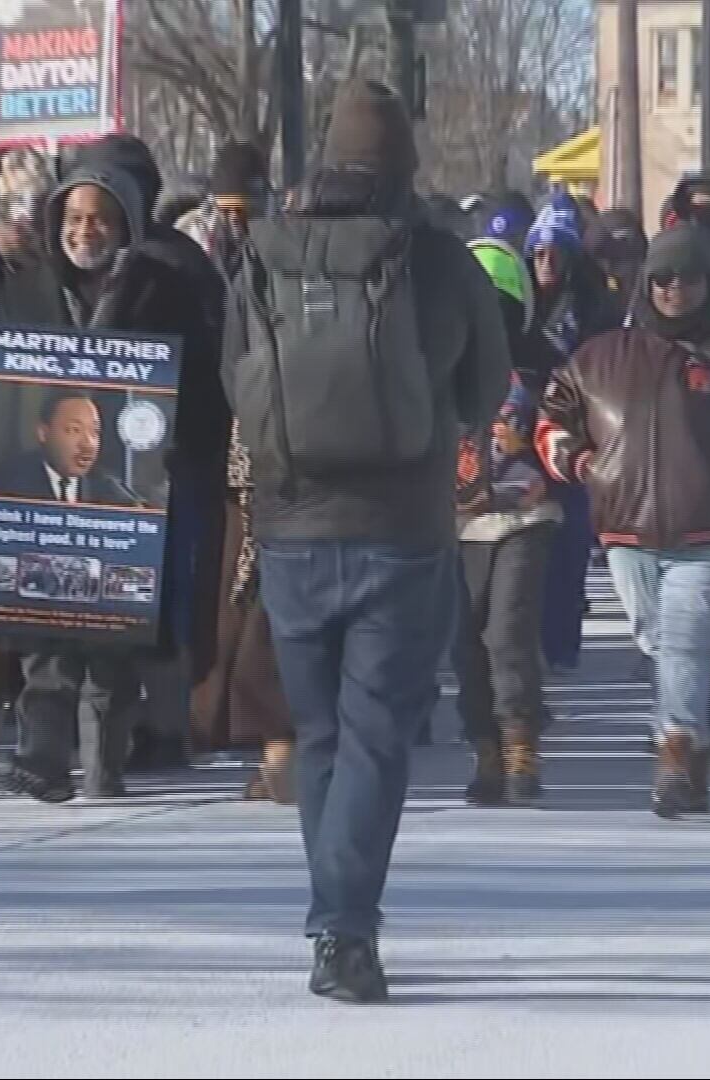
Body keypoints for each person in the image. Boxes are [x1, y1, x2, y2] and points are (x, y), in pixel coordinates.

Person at [225, 79, 510, 1003]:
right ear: (403, 165)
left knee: (320, 737)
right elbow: (485, 387)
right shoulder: (436, 258)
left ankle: (337, 918)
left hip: (292, 524)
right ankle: (343, 929)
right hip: (402, 530)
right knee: (376, 736)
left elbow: (239, 378)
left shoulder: (267, 254)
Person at [0, 141, 222, 804]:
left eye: (99, 221)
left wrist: (167, 430)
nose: (84, 233)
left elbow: (204, 380)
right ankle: (41, 757)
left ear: (124, 224)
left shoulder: (163, 285)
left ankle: (103, 763)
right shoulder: (28, 286)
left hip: (131, 489)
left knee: (111, 637)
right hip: (48, 489)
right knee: (43, 629)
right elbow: (4, 381)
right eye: (74, 220)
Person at [538, 224, 710, 820]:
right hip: (625, 527)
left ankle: (673, 751)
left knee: (685, 639)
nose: (676, 289)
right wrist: (578, 463)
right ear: (645, 285)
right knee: (660, 642)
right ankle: (694, 748)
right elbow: (554, 414)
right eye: (664, 279)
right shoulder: (602, 356)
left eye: (690, 278)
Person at [187, 142, 296, 803]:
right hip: (235, 451)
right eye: (225, 211)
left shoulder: (277, 264)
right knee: (235, 599)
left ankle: (280, 743)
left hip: (273, 447)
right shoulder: (211, 261)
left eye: (243, 210)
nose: (235, 224)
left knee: (265, 604)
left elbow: (242, 360)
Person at [455, 234, 561, 806]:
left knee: (508, 634)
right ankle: (485, 749)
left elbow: (573, 422)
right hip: (457, 521)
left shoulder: (543, 361)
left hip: (525, 515)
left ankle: (521, 742)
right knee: (466, 639)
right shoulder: (438, 359)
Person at [527, 191, 621, 675]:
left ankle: (560, 646)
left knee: (569, 548)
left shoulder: (593, 305)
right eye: (538, 253)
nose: (546, 263)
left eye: (554, 253)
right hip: (523, 437)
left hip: (578, 436)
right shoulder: (521, 301)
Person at [0, 391, 143, 506]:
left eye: (95, 432)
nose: (88, 444)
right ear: (43, 433)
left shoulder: (107, 486)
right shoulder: (5, 483)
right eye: (74, 430)